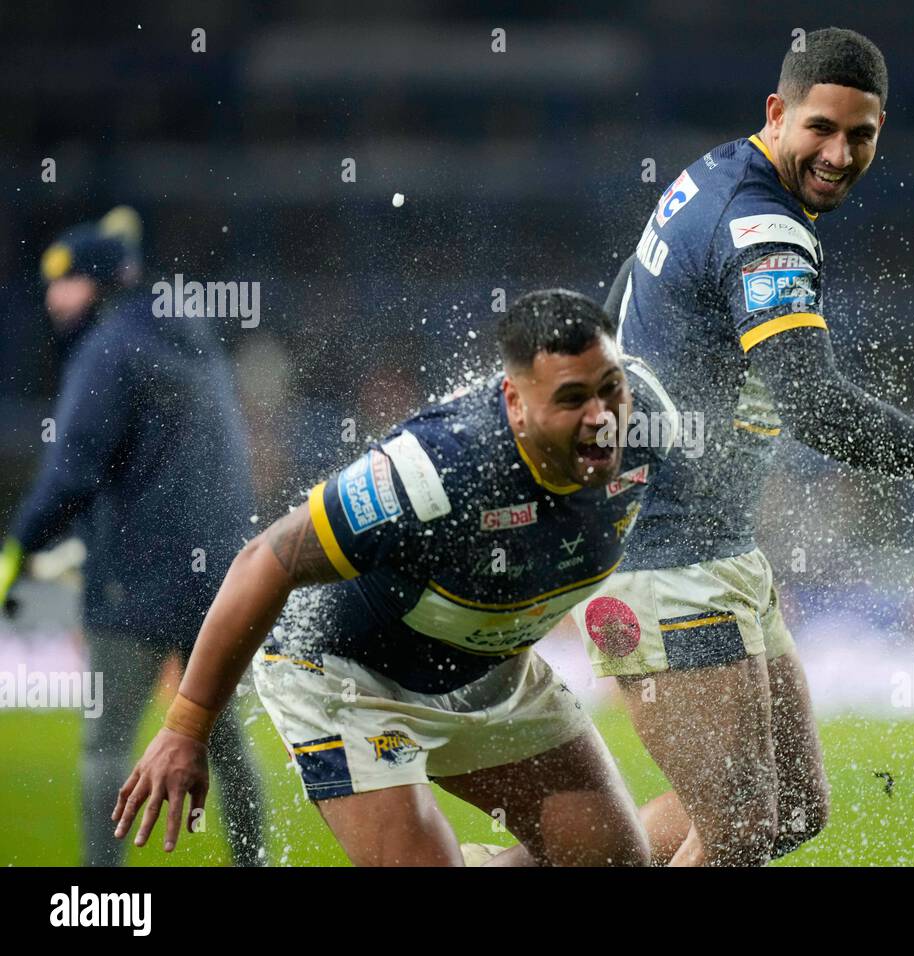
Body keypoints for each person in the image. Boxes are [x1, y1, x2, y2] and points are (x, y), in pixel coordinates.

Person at [573, 28, 914, 865]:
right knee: (738, 833)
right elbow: (814, 405)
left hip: (712, 547)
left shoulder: (719, 171)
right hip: (665, 561)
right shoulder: (762, 227)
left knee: (793, 808)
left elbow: (627, 288)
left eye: (861, 135)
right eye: (822, 129)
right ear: (779, 111)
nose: (839, 154)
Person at [113, 289, 678, 866]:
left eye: (610, 388)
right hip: (349, 676)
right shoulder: (435, 468)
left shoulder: (650, 420)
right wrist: (186, 729)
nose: (602, 417)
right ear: (514, 402)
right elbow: (267, 559)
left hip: (491, 670)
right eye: (572, 398)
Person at [0, 207, 265, 865]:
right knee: (225, 739)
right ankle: (257, 863)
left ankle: (102, 894)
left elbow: (72, 470)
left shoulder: (107, 346)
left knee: (106, 745)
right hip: (222, 576)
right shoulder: (193, 336)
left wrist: (17, 550)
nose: (53, 298)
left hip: (134, 579)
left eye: (61, 282)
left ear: (91, 282)